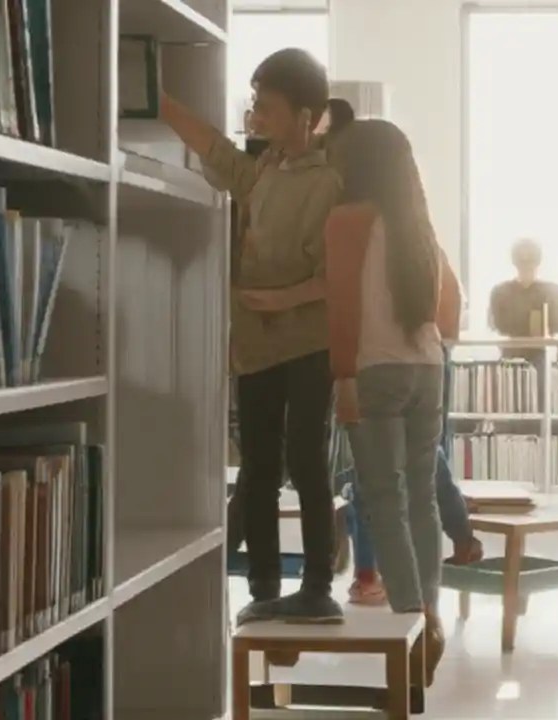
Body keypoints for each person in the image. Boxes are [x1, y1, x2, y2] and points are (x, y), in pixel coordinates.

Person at [161, 48, 343, 625]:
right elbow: (213, 146)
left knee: (308, 463)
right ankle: (265, 587)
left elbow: (334, 272)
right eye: (255, 104)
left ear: (305, 115)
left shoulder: (330, 180)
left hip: (308, 344)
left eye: (268, 106)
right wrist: (153, 99)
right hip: (257, 347)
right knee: (260, 465)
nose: (257, 115)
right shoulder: (265, 169)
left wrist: (278, 299)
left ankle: (317, 587)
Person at [324, 119, 449, 686]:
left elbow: (342, 305)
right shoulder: (417, 223)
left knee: (383, 498)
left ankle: (411, 622)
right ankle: (433, 613)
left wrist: (343, 375)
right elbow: (453, 311)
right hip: (428, 367)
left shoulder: (347, 220)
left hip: (373, 369)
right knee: (421, 497)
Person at [489, 238, 558, 366]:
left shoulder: (554, 293)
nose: (526, 264)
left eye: (530, 259)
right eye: (521, 260)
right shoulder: (500, 293)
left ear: (538, 261)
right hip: (510, 361)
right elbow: (494, 331)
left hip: (544, 360)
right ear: (514, 262)